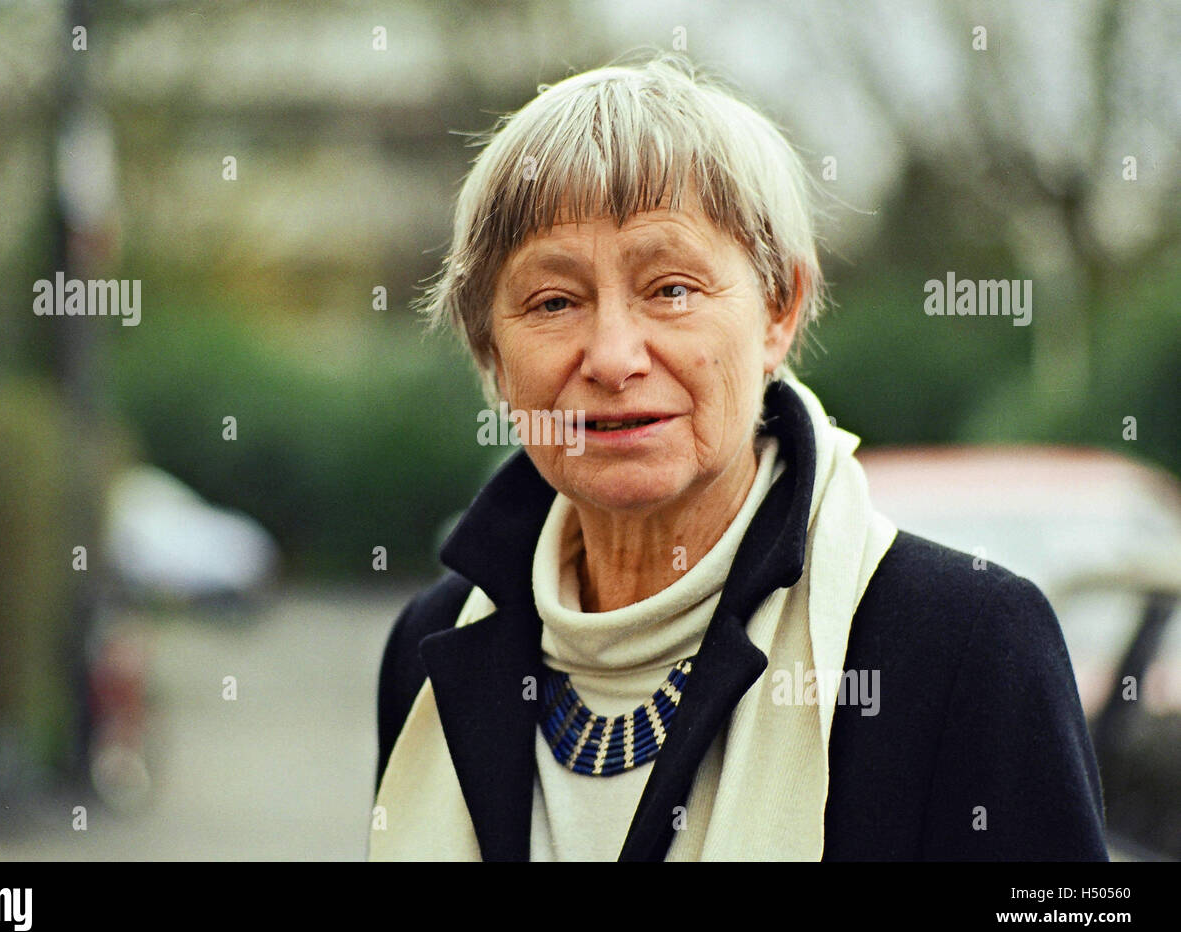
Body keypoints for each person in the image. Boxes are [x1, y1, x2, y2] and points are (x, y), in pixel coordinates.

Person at [369, 54, 1108, 861]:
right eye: (554, 301)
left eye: (672, 288)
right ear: (489, 348)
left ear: (779, 310)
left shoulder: (964, 647)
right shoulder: (431, 646)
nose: (613, 357)